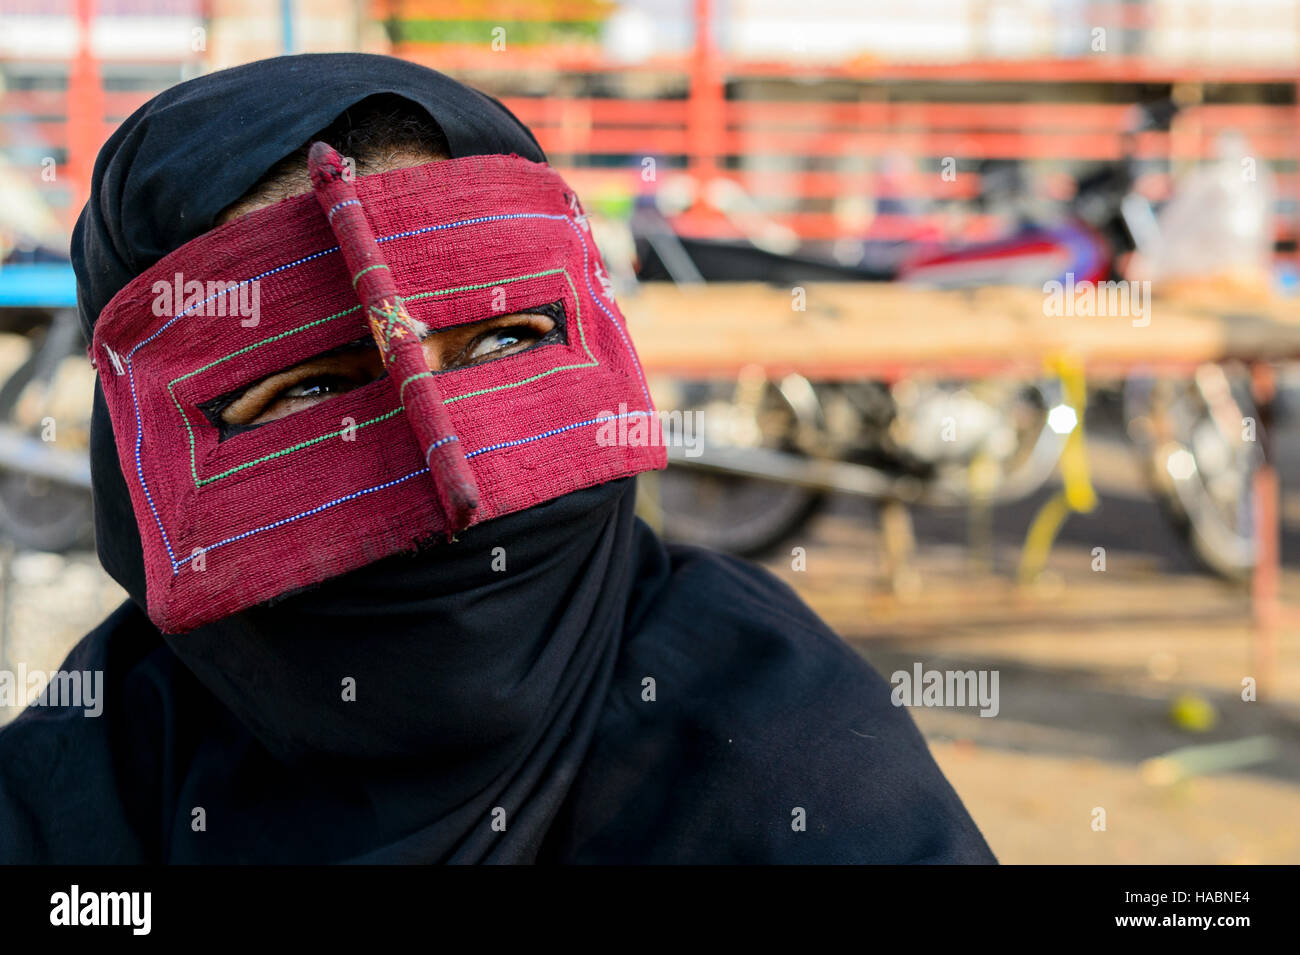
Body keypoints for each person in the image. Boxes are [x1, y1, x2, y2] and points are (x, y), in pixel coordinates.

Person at [0, 53, 995, 864]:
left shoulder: (781, 754)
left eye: (501, 343)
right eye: (308, 387)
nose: (456, 478)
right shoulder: (86, 791)